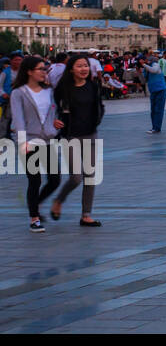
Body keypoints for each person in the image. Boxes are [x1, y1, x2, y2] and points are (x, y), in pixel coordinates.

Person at [49, 54, 104, 227]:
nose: (84, 69)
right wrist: (55, 121)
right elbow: (52, 108)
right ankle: (59, 200)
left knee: (90, 177)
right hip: (70, 135)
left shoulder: (93, 86)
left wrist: (97, 119)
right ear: (71, 68)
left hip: (90, 134)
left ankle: (86, 214)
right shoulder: (63, 88)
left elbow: (99, 106)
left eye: (86, 66)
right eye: (79, 66)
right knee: (76, 177)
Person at [12, 56, 62, 231]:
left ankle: (36, 203)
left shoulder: (49, 91)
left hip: (47, 140)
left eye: (45, 69)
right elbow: (18, 120)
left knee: (55, 179)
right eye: (41, 69)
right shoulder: (18, 93)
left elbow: (51, 113)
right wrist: (22, 142)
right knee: (34, 180)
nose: (44, 72)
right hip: (29, 142)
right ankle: (34, 218)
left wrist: (55, 124)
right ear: (29, 72)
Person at [142, 51, 166, 134]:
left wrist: (144, 65)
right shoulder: (146, 68)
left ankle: (156, 128)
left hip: (160, 90)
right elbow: (143, 78)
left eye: (146, 60)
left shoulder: (155, 64)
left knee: (158, 109)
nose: (145, 61)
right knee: (153, 110)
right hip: (153, 90)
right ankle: (154, 127)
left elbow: (154, 70)